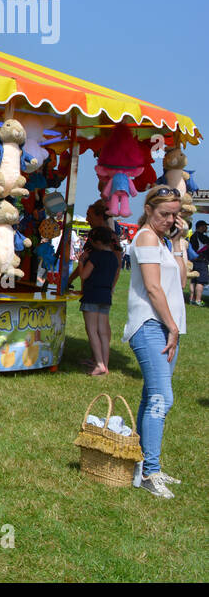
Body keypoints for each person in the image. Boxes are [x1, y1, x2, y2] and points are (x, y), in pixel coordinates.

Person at [124, 187, 187, 499]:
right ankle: (150, 471)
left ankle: (139, 463)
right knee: (163, 399)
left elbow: (182, 281)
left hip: (165, 326)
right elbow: (152, 287)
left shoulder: (163, 240)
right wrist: (172, 327)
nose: (170, 219)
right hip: (151, 325)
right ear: (149, 210)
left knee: (152, 397)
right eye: (164, 214)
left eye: (174, 214)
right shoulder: (146, 237)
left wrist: (176, 242)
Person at [77, 226, 120, 375]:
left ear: (98, 242)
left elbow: (83, 275)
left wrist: (81, 262)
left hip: (92, 295)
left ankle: (99, 364)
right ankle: (105, 364)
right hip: (105, 296)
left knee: (92, 330)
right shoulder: (114, 257)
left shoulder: (96, 256)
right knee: (102, 331)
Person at [188, 221, 209, 306]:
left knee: (193, 280)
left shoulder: (193, 236)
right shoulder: (203, 237)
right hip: (202, 260)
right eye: (205, 226)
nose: (206, 228)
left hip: (194, 260)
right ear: (200, 227)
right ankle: (198, 300)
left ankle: (191, 298)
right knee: (201, 281)